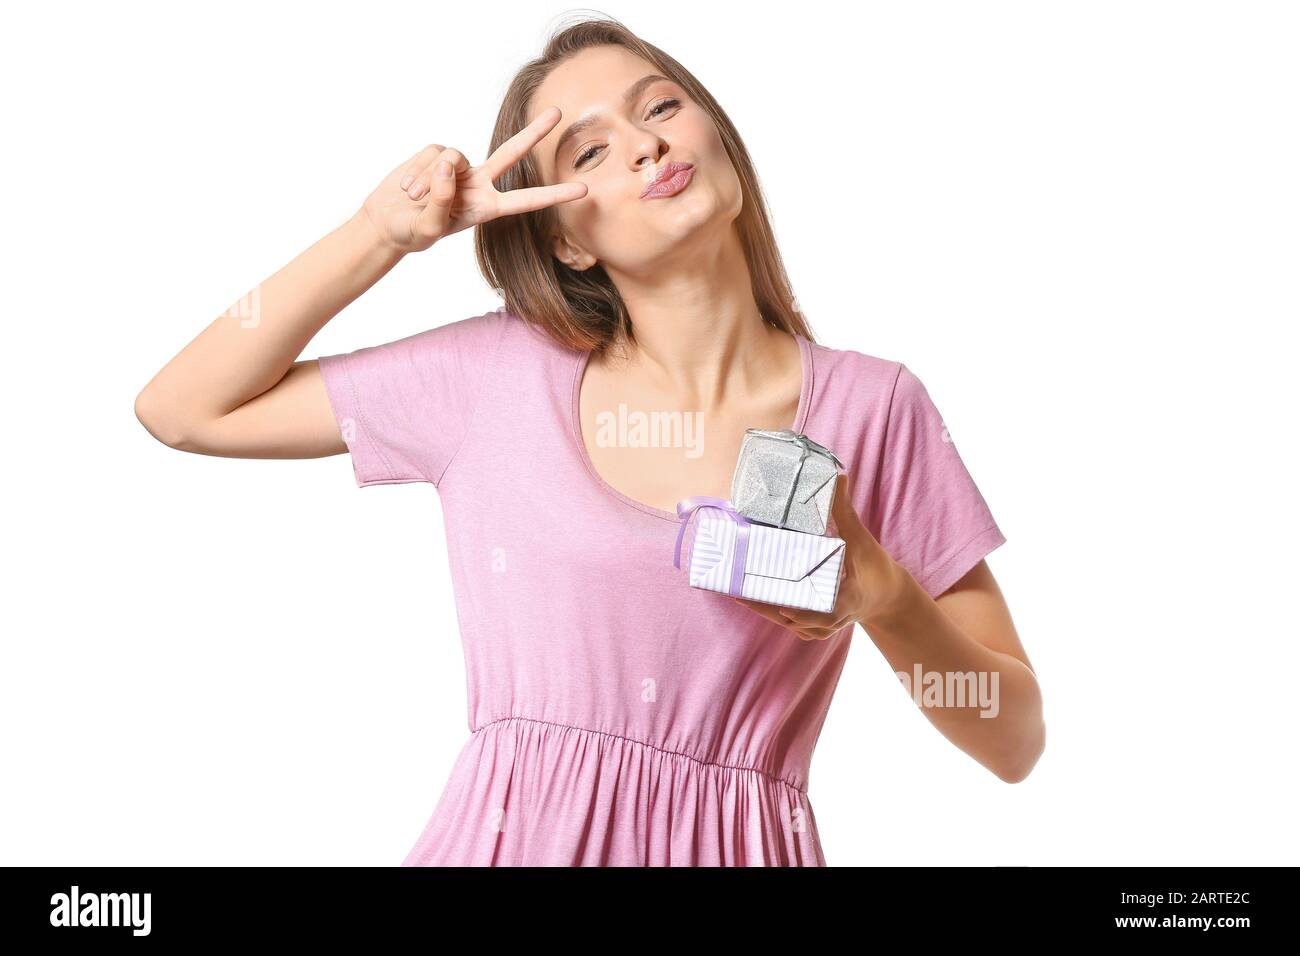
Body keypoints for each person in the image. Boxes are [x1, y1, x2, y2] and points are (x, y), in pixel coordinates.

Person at [134, 15, 1044, 866]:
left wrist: (881, 593)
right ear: (565, 240)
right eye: (593, 151)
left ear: (717, 136)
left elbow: (1013, 739)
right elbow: (184, 408)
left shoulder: (874, 406)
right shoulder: (493, 377)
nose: (647, 144)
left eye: (661, 107)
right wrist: (380, 235)